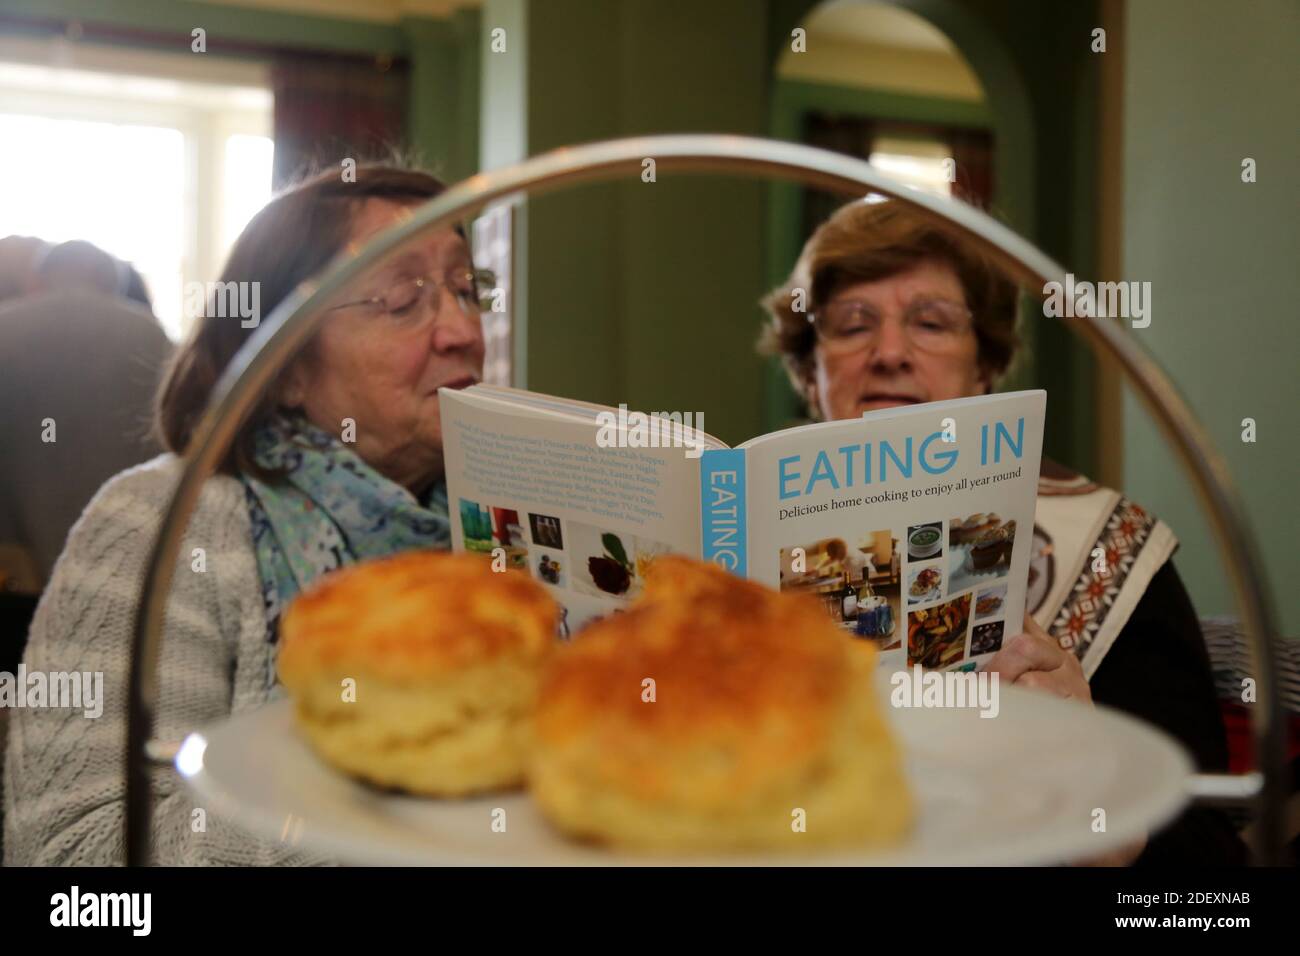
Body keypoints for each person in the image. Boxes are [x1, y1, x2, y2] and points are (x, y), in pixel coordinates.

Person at [4, 164, 491, 865]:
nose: (462, 332)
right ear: (285, 365)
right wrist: (397, 764)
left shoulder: (493, 540)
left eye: (470, 291)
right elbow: (75, 860)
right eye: (403, 297)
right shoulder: (157, 526)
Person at [760, 198, 1247, 866]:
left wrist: (1104, 812)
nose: (891, 352)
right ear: (810, 375)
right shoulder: (739, 534)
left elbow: (1212, 872)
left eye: (931, 323)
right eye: (851, 325)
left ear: (985, 368)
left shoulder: (1112, 547)